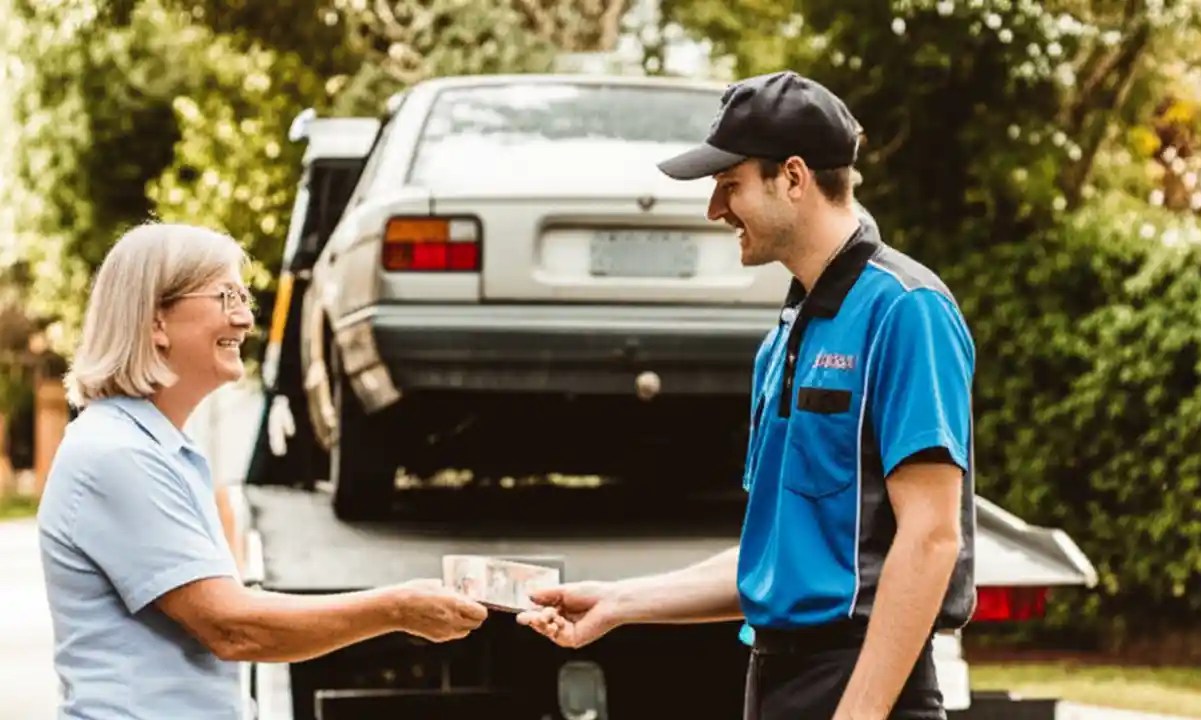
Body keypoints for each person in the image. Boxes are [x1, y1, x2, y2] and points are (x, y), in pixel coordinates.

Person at [517, 70, 976, 720]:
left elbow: (931, 537)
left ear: (793, 177)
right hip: (776, 678)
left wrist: (859, 713)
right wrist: (618, 603)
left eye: (729, 184)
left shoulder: (907, 310)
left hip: (861, 684)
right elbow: (777, 557)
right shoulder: (787, 335)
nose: (715, 209)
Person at [37, 223, 488, 720]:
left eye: (244, 297)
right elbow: (233, 628)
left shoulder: (156, 448)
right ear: (155, 321)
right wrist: (397, 609)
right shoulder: (118, 454)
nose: (245, 317)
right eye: (226, 297)